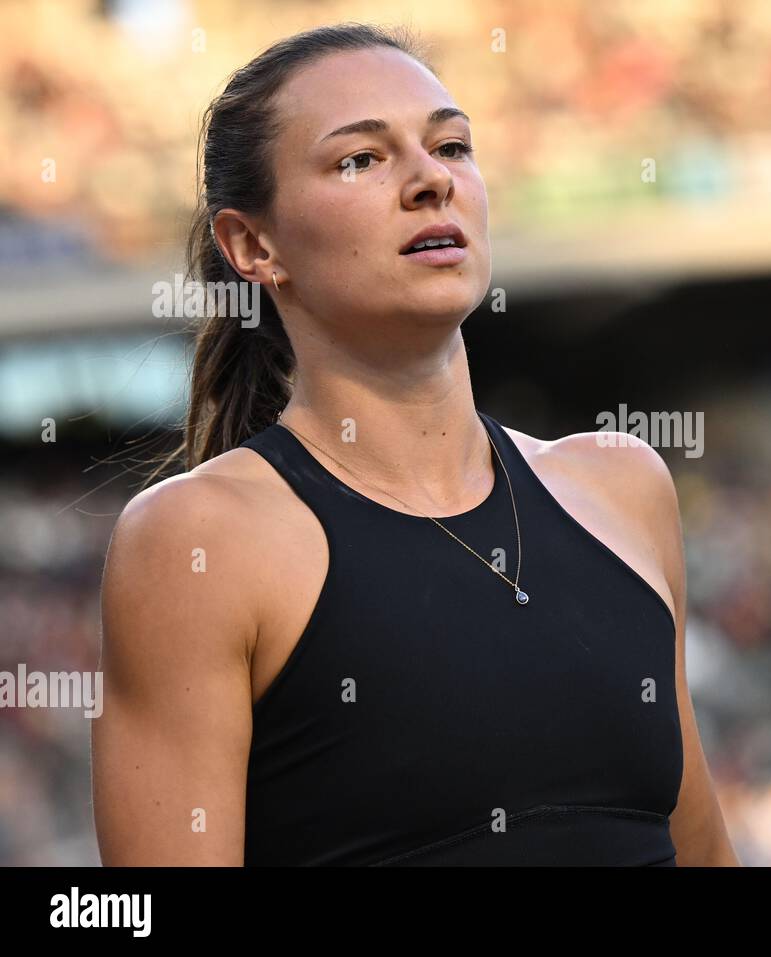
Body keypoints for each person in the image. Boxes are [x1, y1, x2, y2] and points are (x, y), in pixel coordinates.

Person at [92, 22, 738, 866]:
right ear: (254, 246)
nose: (432, 179)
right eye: (361, 159)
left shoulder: (624, 487)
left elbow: (703, 856)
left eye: (452, 145)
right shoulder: (197, 542)